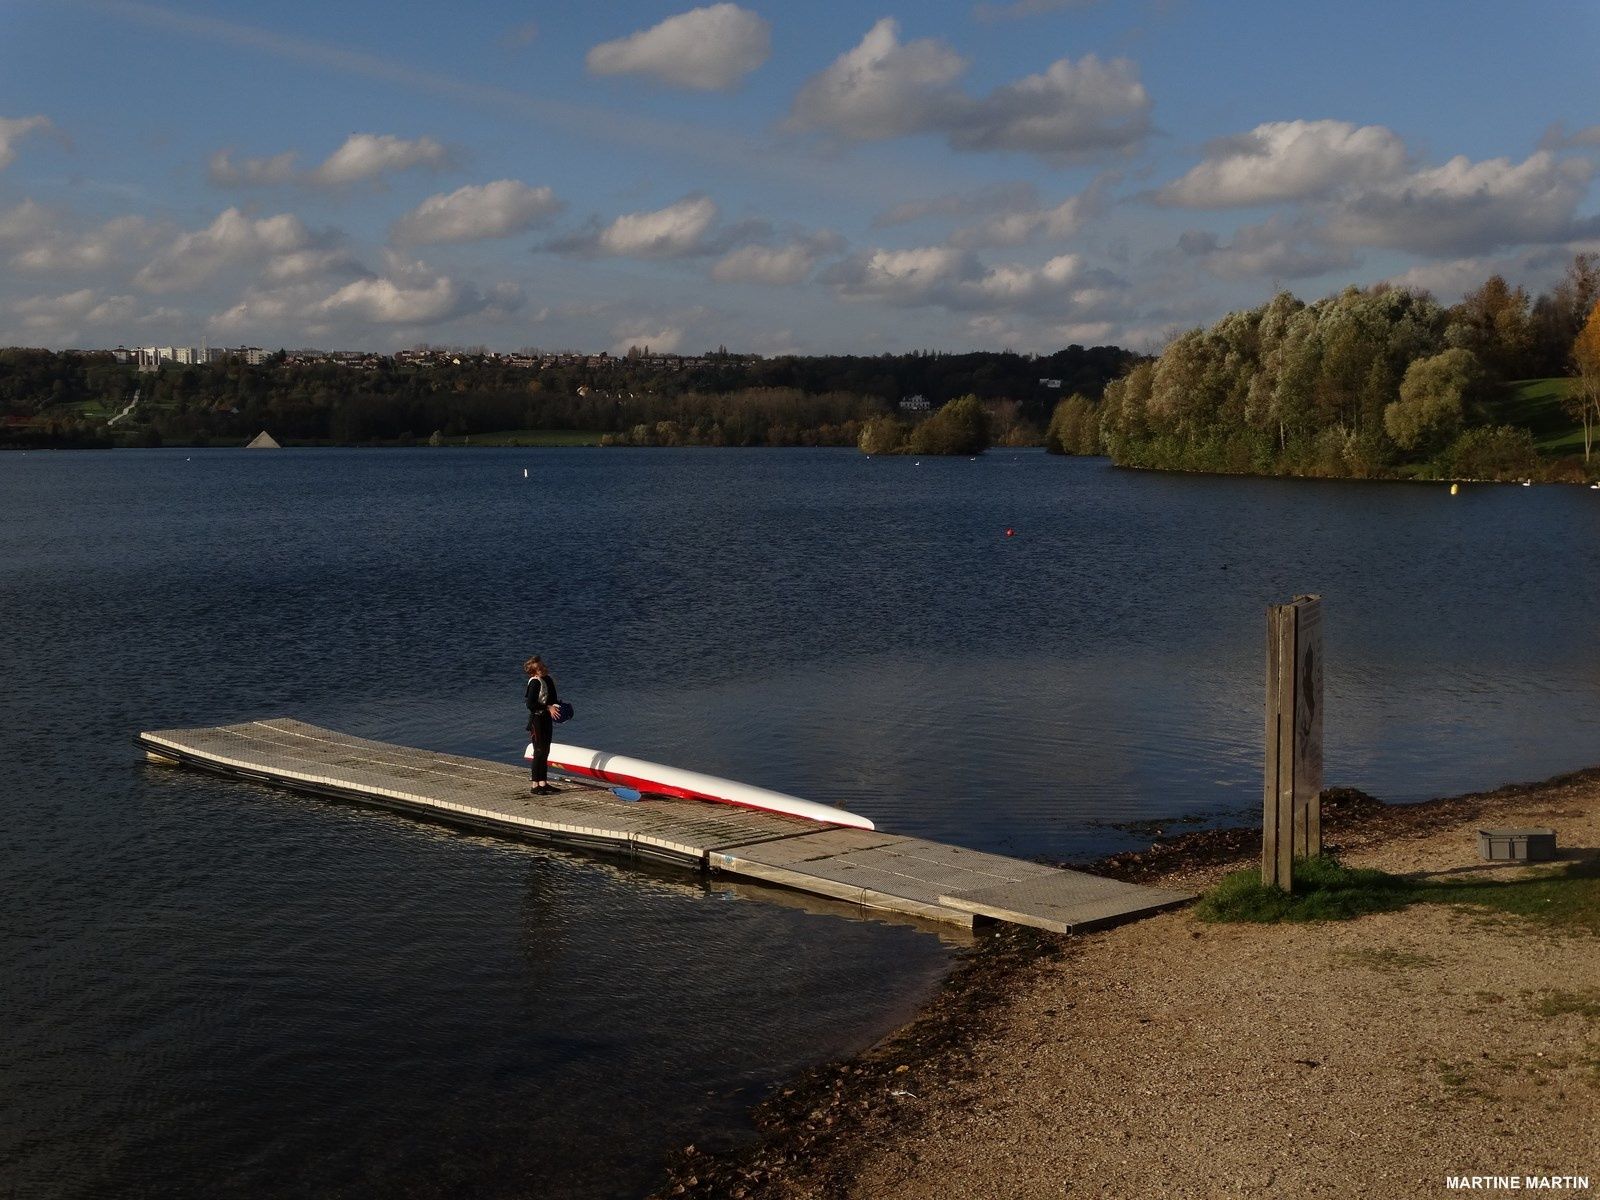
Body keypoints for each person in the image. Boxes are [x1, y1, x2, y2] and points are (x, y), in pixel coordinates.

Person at [523, 656, 562, 794]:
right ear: (533, 672)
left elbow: (553, 699)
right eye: (540, 669)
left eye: (543, 666)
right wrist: (548, 707)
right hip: (537, 720)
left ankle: (543, 783)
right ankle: (535, 785)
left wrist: (559, 707)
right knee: (538, 751)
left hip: (546, 719)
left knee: (546, 751)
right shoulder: (535, 682)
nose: (544, 669)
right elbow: (530, 704)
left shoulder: (548, 679)